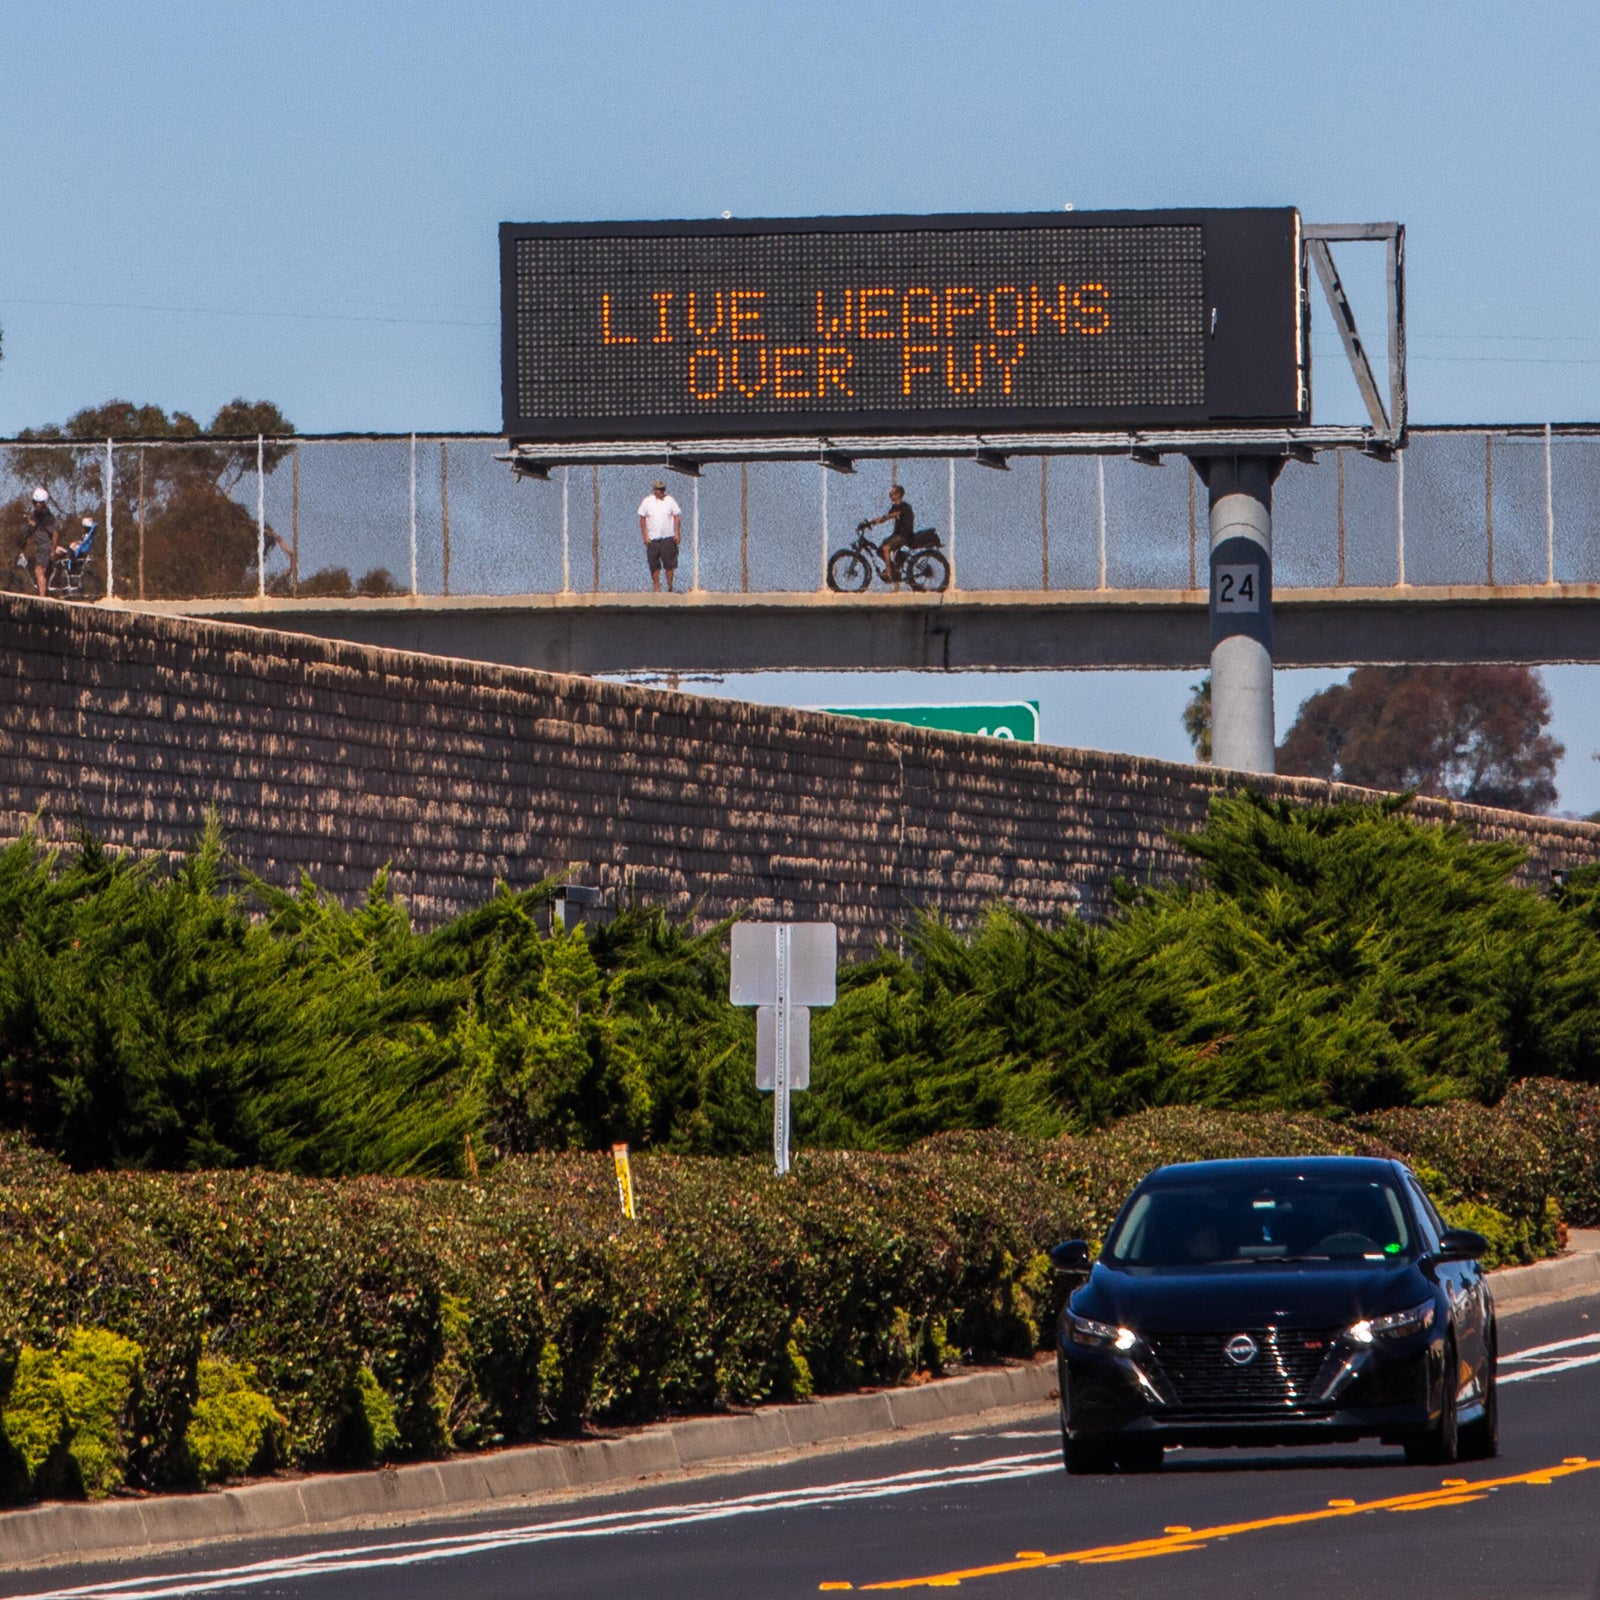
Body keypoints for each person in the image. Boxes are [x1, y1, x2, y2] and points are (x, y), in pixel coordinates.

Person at [637, 479, 683, 593]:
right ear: (654, 490)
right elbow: (642, 518)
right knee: (654, 564)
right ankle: (656, 588)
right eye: (659, 489)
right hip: (652, 538)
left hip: (668, 537)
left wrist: (677, 533)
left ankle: (670, 587)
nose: (661, 491)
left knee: (669, 564)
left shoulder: (670, 500)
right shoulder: (647, 501)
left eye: (662, 489)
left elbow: (676, 516)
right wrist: (645, 536)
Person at [864, 483, 915, 575]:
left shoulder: (904, 506)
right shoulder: (895, 506)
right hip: (897, 535)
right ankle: (893, 568)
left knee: (886, 548)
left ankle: (889, 572)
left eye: (893, 493)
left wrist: (883, 518)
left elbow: (893, 515)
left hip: (904, 535)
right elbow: (885, 518)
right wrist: (871, 522)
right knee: (879, 550)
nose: (890, 495)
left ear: (898, 494)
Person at [23, 488, 55, 598]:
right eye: (34, 502)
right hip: (40, 547)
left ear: (44, 503)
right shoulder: (37, 515)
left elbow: (55, 534)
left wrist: (52, 550)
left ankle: (42, 596)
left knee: (39, 571)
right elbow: (37, 526)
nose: (37, 505)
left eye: (39, 503)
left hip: (45, 547)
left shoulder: (47, 517)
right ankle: (42, 594)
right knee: (38, 571)